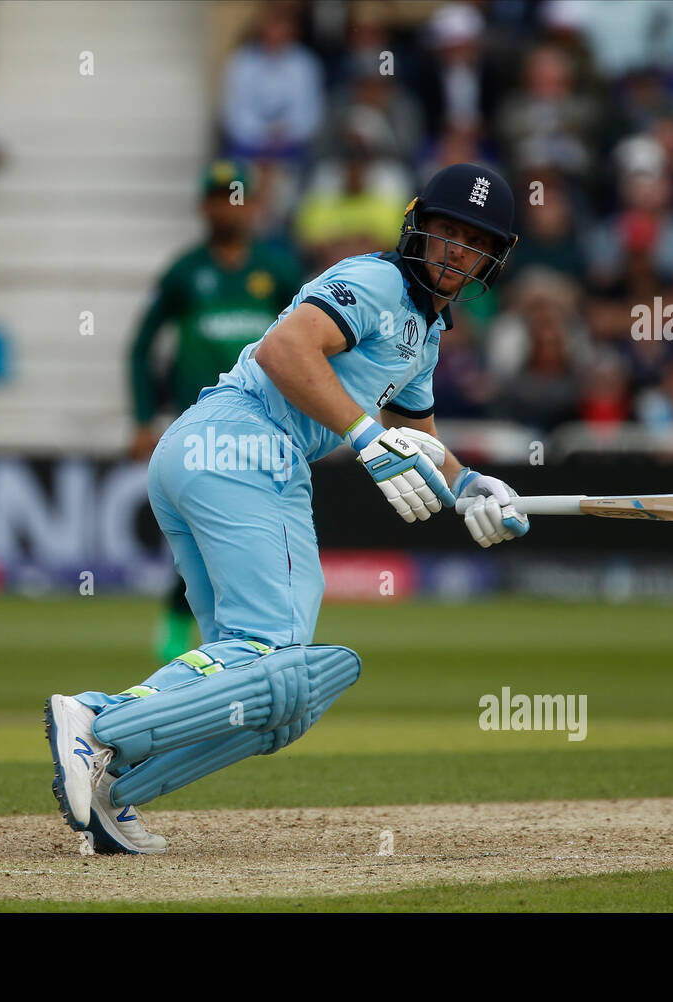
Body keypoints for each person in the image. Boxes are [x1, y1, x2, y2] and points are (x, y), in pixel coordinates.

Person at [47, 163, 530, 854]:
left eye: (476, 242)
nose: (458, 250)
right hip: (247, 445)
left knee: (257, 684)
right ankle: (98, 718)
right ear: (418, 227)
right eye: (448, 231)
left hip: (203, 450)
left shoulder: (424, 332)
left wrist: (472, 485)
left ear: (493, 258)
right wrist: (363, 437)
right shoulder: (378, 282)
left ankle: (111, 786)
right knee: (273, 654)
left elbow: (415, 433)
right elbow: (284, 348)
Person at [128, 161, 301, 663]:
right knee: (207, 533)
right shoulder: (185, 272)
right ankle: (194, 634)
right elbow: (140, 347)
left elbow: (308, 346)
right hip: (199, 426)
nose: (229, 207)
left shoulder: (278, 271)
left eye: (237, 196)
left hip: (266, 426)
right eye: (220, 197)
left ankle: (251, 638)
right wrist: (142, 419)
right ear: (203, 206)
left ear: (254, 205)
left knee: (256, 535)